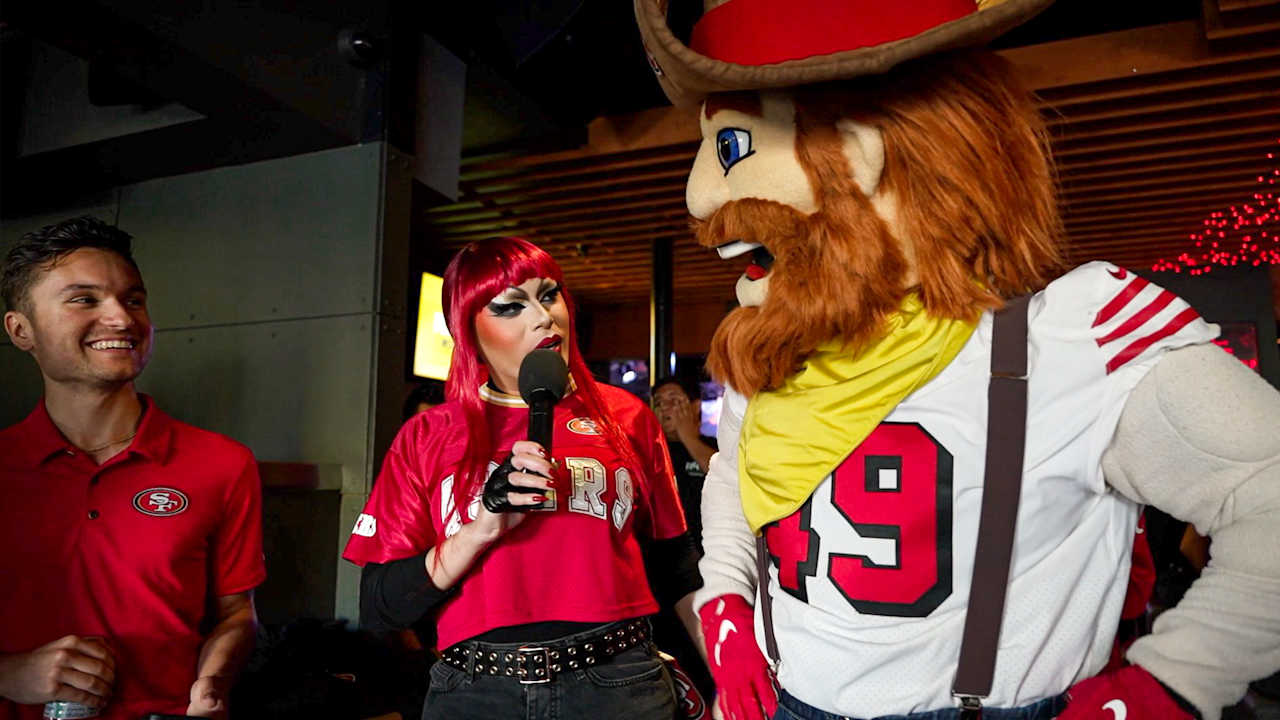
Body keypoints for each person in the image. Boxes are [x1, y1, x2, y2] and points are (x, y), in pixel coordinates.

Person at [633, 2, 1280, 720]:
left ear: (862, 154)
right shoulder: (772, 347)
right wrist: (727, 599)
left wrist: (1170, 685)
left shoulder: (1070, 339)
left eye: (731, 147)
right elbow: (733, 476)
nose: (698, 197)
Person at [342, 236, 705, 720]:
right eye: (510, 306)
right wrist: (480, 529)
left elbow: (675, 564)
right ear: (468, 330)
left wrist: (731, 671)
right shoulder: (428, 436)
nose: (543, 317)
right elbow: (380, 606)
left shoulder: (627, 416)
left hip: (616, 682)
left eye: (549, 295)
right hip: (477, 689)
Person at [0, 217, 265, 719]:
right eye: (84, 299)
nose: (122, 319)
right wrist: (8, 673)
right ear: (21, 330)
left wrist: (212, 684)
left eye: (134, 299)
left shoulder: (224, 463)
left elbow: (235, 613)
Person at [651, 377, 716, 551]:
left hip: (709, 547)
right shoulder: (652, 450)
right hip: (664, 550)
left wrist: (687, 437)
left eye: (674, 400)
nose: (664, 407)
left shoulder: (716, 446)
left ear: (695, 406)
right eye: (658, 403)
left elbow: (724, 477)